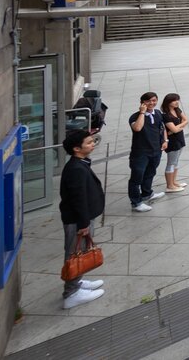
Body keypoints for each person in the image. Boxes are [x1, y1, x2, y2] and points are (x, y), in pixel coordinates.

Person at [59, 129, 106, 309]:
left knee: (80, 251)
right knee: (74, 253)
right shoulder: (76, 168)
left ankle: (76, 283)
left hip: (81, 218)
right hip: (77, 220)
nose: (93, 144)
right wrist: (84, 223)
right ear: (77, 149)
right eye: (89, 142)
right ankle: (71, 293)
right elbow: (78, 198)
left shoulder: (80, 163)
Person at [127, 92, 167, 212]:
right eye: (148, 101)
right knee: (136, 177)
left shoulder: (158, 113)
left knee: (150, 173)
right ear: (142, 102)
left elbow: (162, 127)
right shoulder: (135, 117)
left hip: (156, 150)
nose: (151, 103)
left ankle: (147, 194)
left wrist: (165, 140)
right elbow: (137, 128)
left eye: (154, 100)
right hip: (140, 153)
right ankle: (136, 202)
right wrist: (142, 113)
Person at [160, 93, 188, 193]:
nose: (177, 102)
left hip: (179, 139)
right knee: (171, 163)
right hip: (172, 142)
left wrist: (177, 128)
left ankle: (174, 182)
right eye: (174, 100)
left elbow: (186, 120)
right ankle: (169, 186)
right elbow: (174, 130)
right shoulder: (166, 115)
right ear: (168, 102)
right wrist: (175, 129)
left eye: (177, 100)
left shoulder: (177, 109)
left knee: (176, 162)